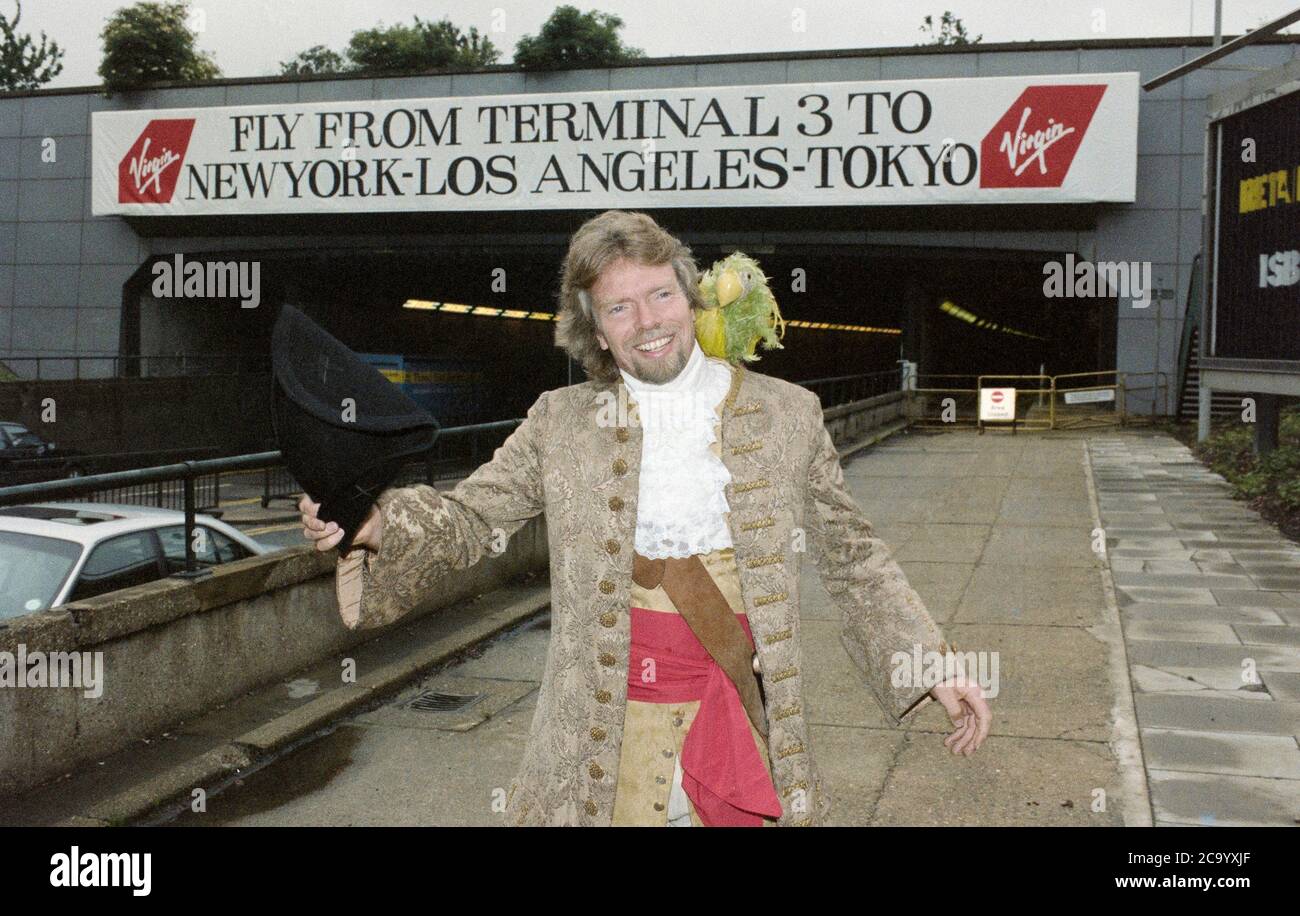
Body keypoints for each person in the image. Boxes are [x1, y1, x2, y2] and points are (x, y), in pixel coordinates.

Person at [300, 209, 990, 826]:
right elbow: (473, 518)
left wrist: (933, 664)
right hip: (601, 739)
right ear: (595, 330)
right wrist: (376, 523)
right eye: (620, 309)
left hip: (742, 722)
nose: (649, 322)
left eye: (661, 295)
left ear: (690, 298)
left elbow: (853, 556)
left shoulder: (788, 413)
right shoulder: (558, 422)